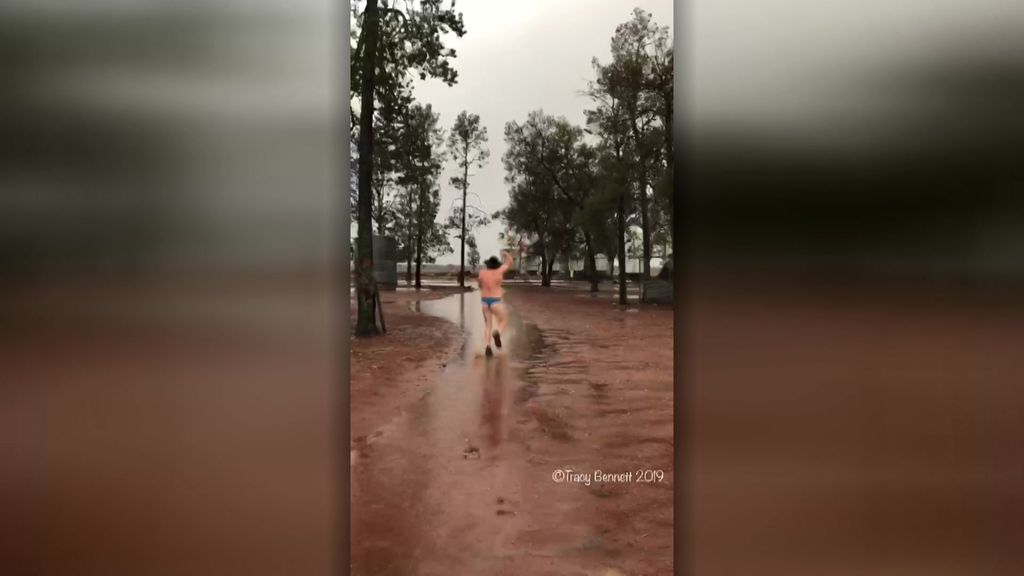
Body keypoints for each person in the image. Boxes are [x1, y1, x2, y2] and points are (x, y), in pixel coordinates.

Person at [478, 251, 513, 357]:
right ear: (497, 265)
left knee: (488, 325)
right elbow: (510, 261)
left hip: (484, 301)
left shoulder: (482, 273)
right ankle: (497, 332)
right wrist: (506, 254)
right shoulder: (500, 271)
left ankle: (488, 346)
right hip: (496, 301)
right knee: (504, 320)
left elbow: (479, 285)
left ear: (488, 264)